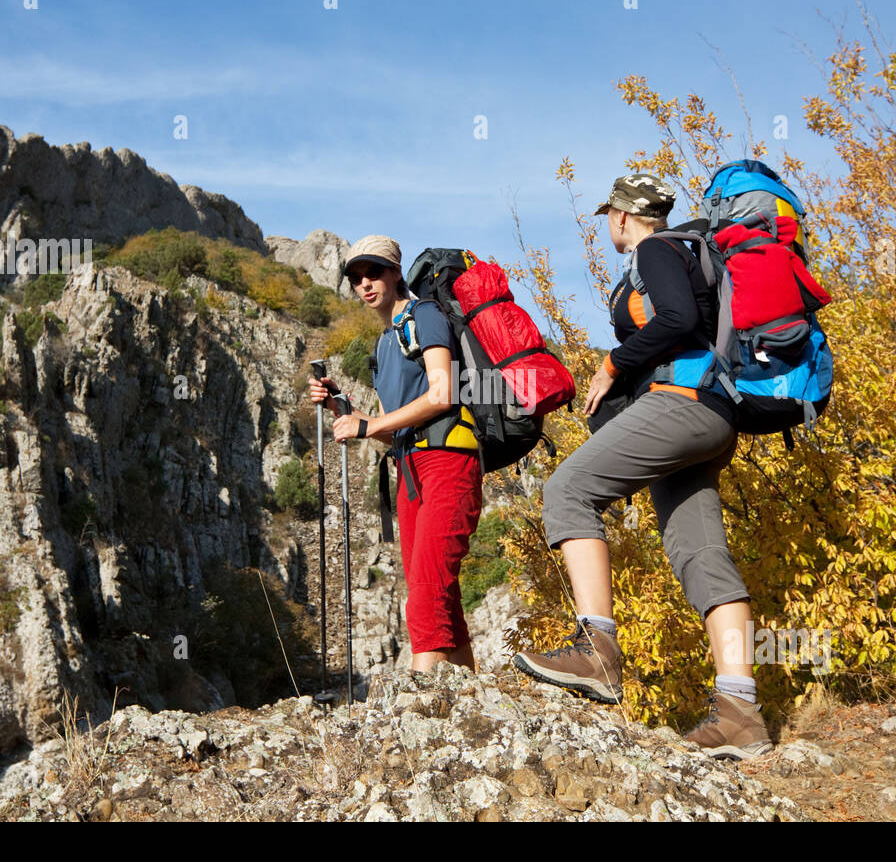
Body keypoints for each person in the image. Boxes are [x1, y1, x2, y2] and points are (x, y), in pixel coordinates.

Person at [511, 174, 773, 759]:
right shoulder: (692, 250)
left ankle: (597, 651)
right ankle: (741, 713)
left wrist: (610, 364)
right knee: (700, 552)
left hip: (681, 407)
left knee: (568, 490)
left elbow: (676, 320)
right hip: (714, 417)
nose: (609, 225)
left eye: (609, 215)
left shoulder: (657, 249)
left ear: (622, 217)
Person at [308, 235, 483, 673]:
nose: (364, 284)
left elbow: (442, 393)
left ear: (396, 272)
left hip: (448, 462)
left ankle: (421, 714)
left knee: (426, 593)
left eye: (374, 272)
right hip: (410, 470)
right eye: (355, 278)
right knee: (439, 594)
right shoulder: (386, 343)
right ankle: (471, 700)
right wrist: (342, 408)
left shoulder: (425, 314)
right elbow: (393, 430)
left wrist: (369, 424)